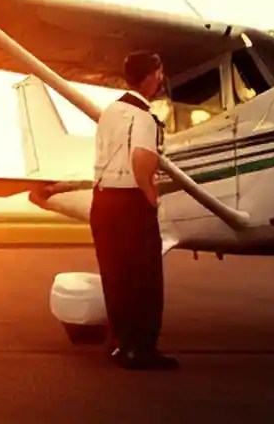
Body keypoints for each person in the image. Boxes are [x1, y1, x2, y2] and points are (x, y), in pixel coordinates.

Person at [89, 50, 177, 370]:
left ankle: (120, 343)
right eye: (159, 73)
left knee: (116, 277)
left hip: (102, 200)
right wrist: (151, 196)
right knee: (144, 279)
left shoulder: (110, 112)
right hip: (129, 203)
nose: (161, 79)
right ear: (151, 77)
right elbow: (142, 157)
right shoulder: (143, 117)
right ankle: (141, 349)